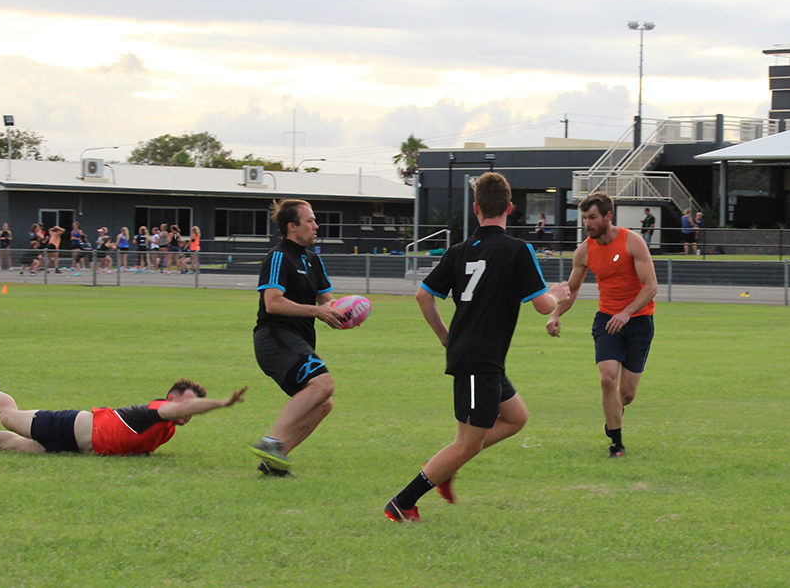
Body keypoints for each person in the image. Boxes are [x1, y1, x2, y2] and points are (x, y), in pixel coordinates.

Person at [384, 172, 570, 522]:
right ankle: (402, 502)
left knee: (516, 418)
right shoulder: (518, 250)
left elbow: (423, 295)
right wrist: (557, 294)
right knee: (467, 443)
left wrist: (444, 335)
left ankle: (444, 466)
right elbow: (543, 305)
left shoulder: (458, 251)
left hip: (482, 358)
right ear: (511, 208)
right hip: (477, 360)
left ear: (475, 208)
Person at [545, 192, 658, 459]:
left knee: (627, 394)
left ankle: (614, 416)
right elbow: (571, 291)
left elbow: (651, 287)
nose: (587, 223)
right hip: (607, 320)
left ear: (608, 216)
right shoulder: (584, 251)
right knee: (607, 378)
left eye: (593, 217)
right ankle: (616, 444)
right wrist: (555, 315)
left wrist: (627, 313)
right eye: (585, 218)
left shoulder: (633, 242)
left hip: (639, 320)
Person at [246, 199, 346, 477]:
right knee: (323, 384)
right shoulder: (279, 256)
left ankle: (273, 463)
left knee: (323, 403)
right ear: (292, 227)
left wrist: (346, 312)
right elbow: (272, 303)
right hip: (275, 338)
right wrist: (318, 311)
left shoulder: (313, 259)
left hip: (297, 340)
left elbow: (328, 300)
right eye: (310, 221)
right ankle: (271, 442)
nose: (316, 226)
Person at [0, 376, 246, 455]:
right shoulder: (156, 410)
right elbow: (179, 410)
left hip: (81, 446)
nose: (189, 413)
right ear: (172, 400)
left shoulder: (167, 429)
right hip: (72, 426)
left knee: (16, 446)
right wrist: (220, 403)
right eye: (188, 405)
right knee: (9, 418)